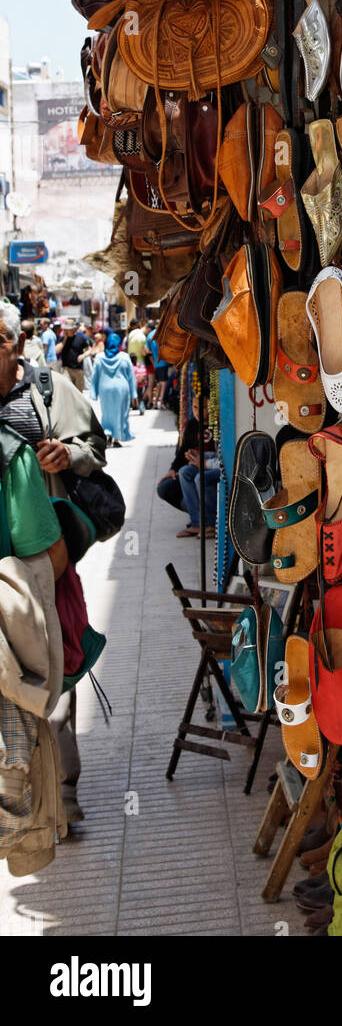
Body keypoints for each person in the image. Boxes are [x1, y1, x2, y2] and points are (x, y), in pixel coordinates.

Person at [0, 302, 107, 825]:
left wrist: (69, 455)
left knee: (56, 664)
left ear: (17, 343)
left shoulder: (47, 388)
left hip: (48, 555)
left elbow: (95, 446)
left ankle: (64, 792)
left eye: (0, 337)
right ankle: (21, 795)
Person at [156, 396, 219, 538]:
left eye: (202, 408)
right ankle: (196, 522)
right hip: (196, 465)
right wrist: (173, 469)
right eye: (195, 407)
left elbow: (220, 456)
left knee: (199, 478)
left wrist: (203, 458)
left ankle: (210, 523)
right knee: (179, 476)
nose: (198, 412)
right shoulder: (192, 425)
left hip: (213, 466)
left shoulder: (216, 425)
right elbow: (182, 451)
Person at [90, 333, 137, 447]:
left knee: (107, 413)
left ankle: (108, 434)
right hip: (122, 389)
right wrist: (134, 394)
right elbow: (131, 376)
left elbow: (95, 375)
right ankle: (116, 439)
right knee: (121, 413)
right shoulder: (124, 357)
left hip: (105, 389)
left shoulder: (100, 357)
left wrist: (94, 393)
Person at [60, 321, 91, 391]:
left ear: (74, 329)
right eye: (66, 329)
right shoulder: (62, 339)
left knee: (79, 393)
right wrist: (65, 338)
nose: (67, 331)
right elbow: (56, 350)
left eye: (69, 329)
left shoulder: (81, 338)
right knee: (67, 392)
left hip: (78, 370)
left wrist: (83, 355)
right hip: (66, 370)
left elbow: (89, 350)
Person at [145, 323, 168, 409]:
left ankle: (155, 404)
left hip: (157, 363)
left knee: (158, 383)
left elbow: (147, 351)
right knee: (164, 383)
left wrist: (153, 361)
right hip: (164, 362)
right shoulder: (161, 333)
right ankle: (161, 401)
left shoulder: (149, 336)